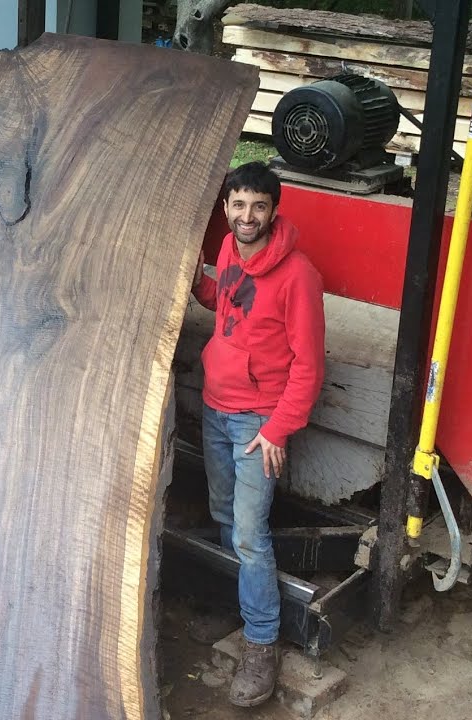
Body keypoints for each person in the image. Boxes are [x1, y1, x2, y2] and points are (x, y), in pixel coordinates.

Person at [191, 161, 325, 707]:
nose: (247, 217)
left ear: (274, 211)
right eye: (238, 205)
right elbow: (223, 304)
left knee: (249, 533)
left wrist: (277, 429)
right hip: (215, 407)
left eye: (258, 207)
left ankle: (261, 643)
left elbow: (310, 367)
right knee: (223, 515)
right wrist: (192, 280)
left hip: (255, 424)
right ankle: (240, 605)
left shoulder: (298, 276)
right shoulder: (227, 250)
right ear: (226, 209)